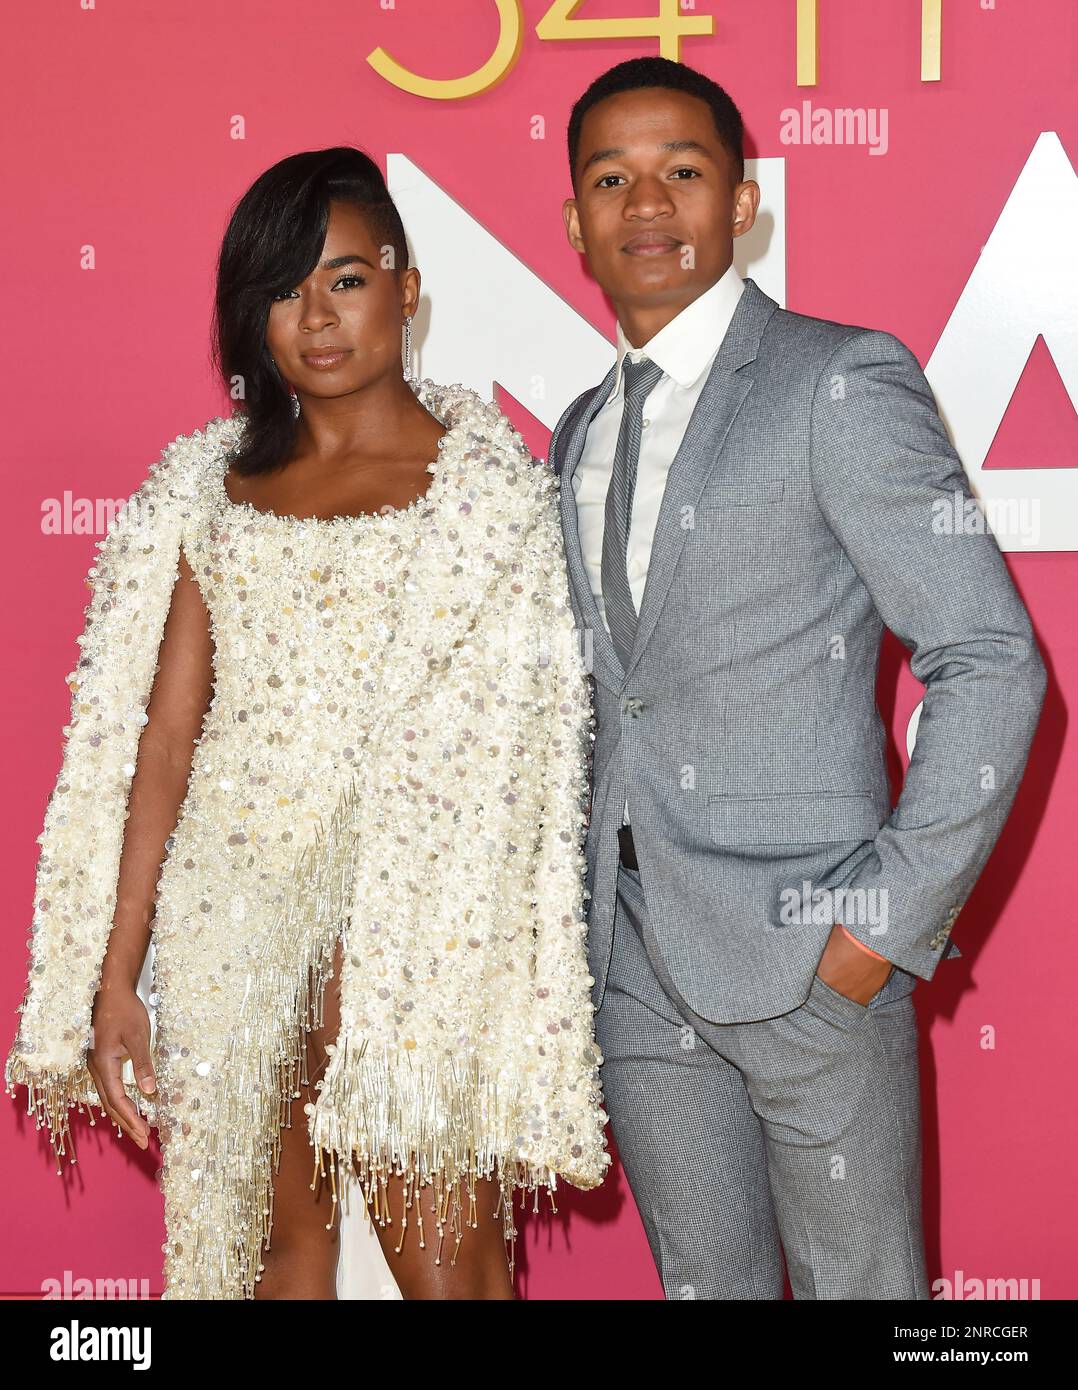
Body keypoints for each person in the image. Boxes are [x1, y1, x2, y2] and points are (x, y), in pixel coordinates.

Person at [5, 146, 609, 1300]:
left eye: (343, 279)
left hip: (421, 936)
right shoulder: (211, 491)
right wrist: (118, 969)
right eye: (282, 290)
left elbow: (525, 764)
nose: (315, 318)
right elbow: (167, 743)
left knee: (452, 1267)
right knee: (271, 1254)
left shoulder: (486, 495)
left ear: (406, 288)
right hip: (232, 929)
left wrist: (374, 942)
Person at [548, 58, 1046, 1299]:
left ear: (743, 200)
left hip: (808, 956)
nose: (646, 203)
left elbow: (989, 658)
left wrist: (872, 931)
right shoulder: (577, 427)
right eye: (611, 178)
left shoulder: (839, 378)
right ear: (571, 222)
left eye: (682, 171)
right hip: (633, 965)